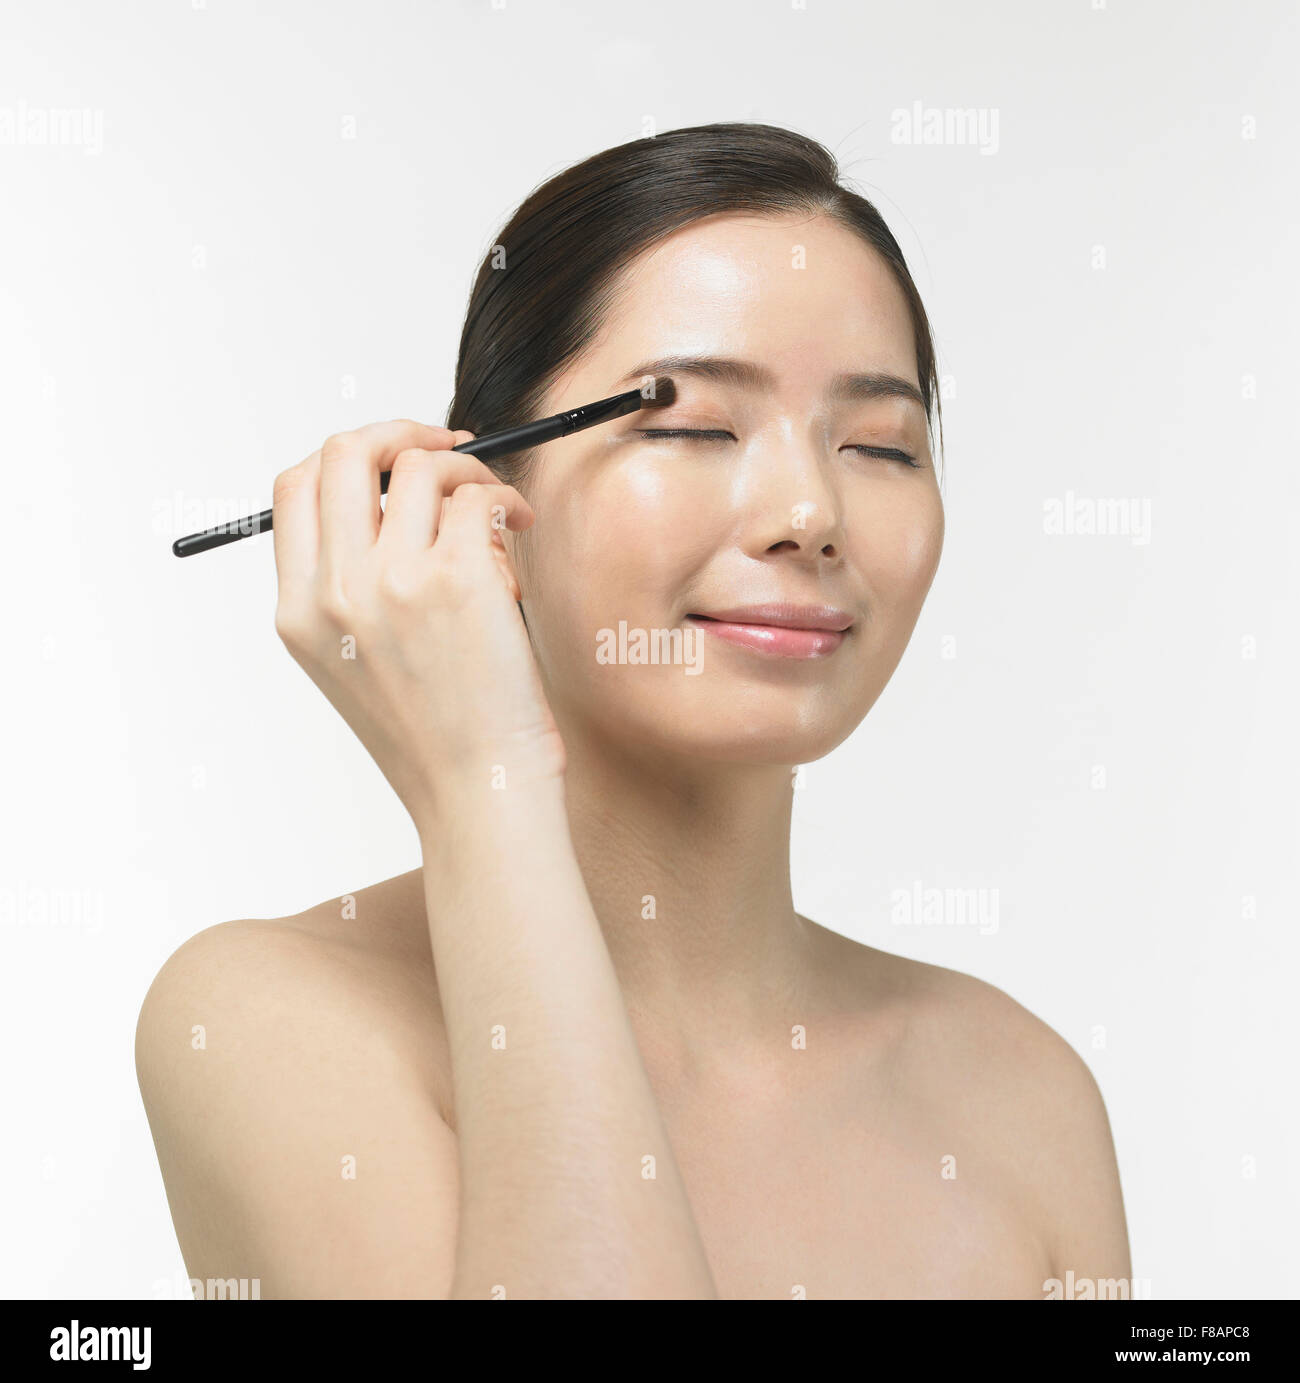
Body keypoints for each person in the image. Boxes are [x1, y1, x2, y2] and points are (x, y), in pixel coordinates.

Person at [136, 122, 1130, 1299]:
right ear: (481, 502)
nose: (807, 511)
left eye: (879, 444)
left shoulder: (1023, 1092)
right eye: (694, 426)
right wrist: (479, 788)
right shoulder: (269, 1020)